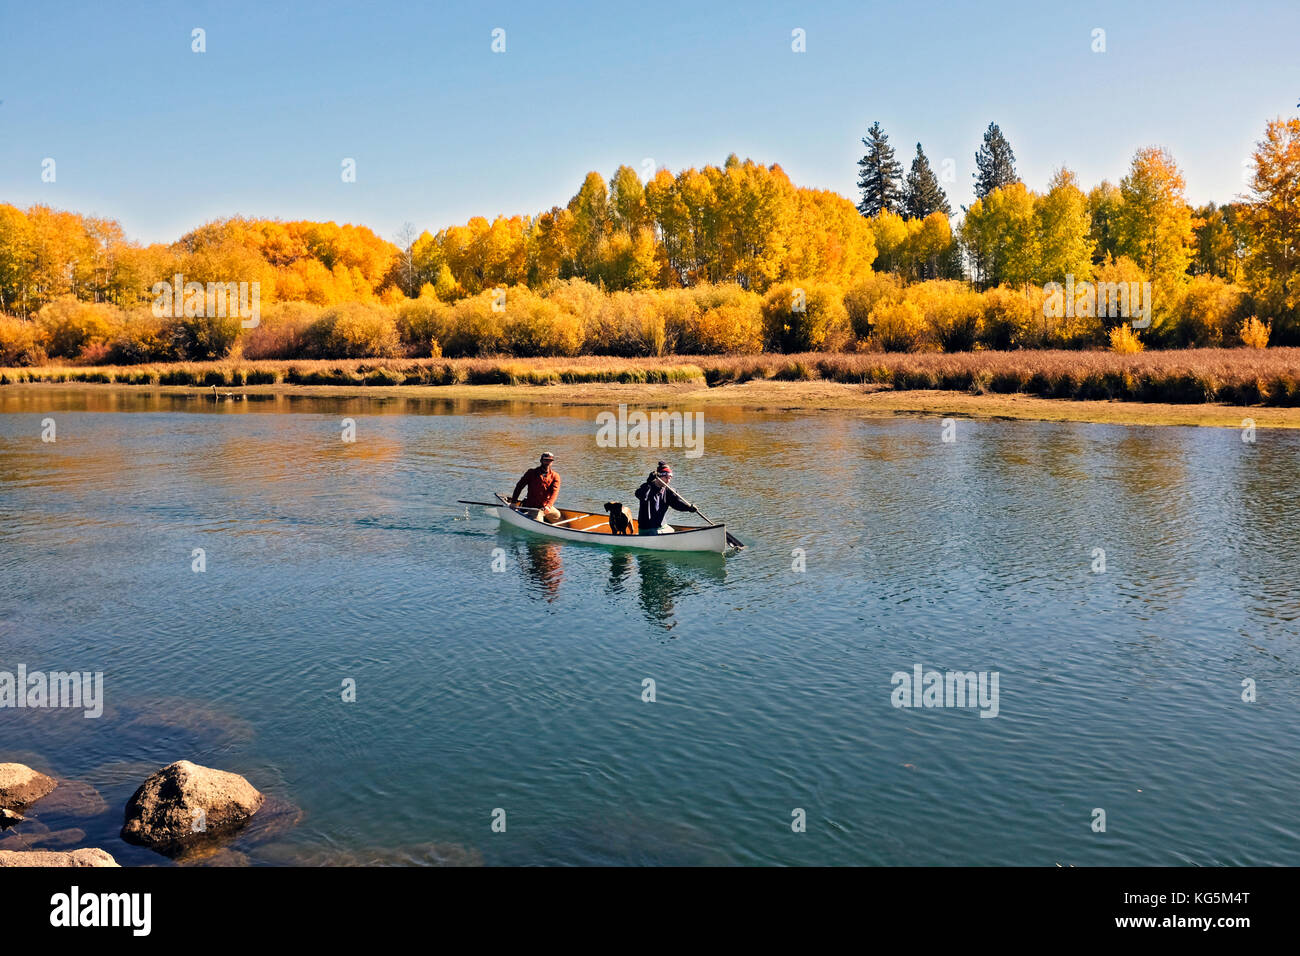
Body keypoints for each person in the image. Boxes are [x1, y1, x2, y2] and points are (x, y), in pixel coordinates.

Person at [634, 461, 697, 535]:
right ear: (659, 477)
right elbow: (639, 494)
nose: (668, 480)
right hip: (648, 528)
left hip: (662, 526)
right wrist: (648, 483)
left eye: (670, 478)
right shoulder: (648, 488)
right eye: (666, 477)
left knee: (672, 531)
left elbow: (676, 503)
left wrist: (688, 508)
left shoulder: (668, 490)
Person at [510, 452, 562, 523]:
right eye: (545, 460)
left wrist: (549, 506)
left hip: (545, 506)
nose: (548, 462)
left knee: (557, 515)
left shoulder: (555, 476)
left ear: (552, 462)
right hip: (533, 507)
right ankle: (536, 517)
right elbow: (519, 486)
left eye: (550, 461)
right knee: (539, 523)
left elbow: (555, 493)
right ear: (541, 461)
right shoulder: (531, 473)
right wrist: (513, 502)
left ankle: (545, 518)